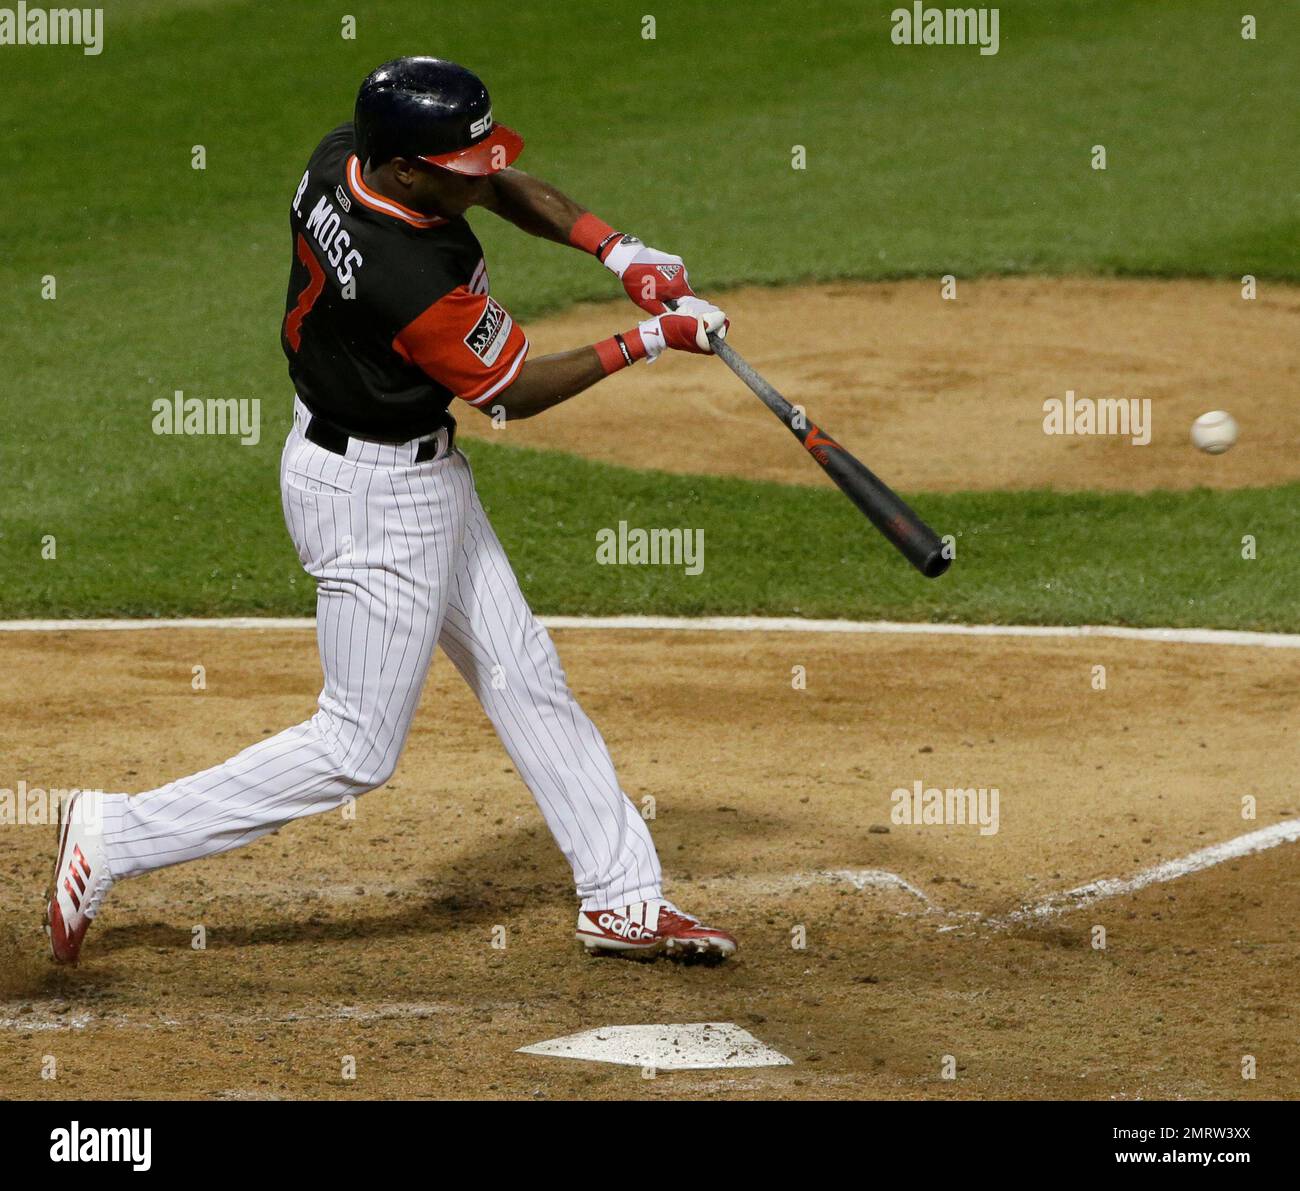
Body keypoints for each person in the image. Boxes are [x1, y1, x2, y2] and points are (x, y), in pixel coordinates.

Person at [46, 57, 737, 966]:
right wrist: (649, 338)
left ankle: (622, 898)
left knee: (523, 669)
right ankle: (116, 832)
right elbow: (515, 392)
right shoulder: (409, 272)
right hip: (373, 500)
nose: (482, 172)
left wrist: (618, 248)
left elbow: (493, 184)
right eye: (460, 165)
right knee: (355, 747)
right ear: (409, 170)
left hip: (402, 465)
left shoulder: (346, 158)